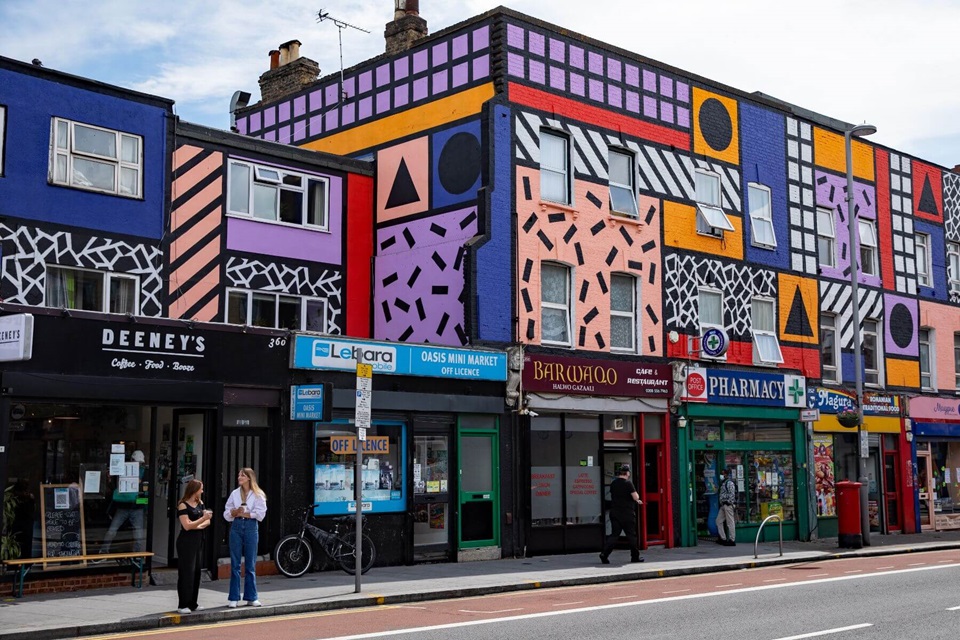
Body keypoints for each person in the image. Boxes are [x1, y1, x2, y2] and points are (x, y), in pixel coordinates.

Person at [223, 467, 267, 608]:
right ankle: (234, 597)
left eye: (242, 475)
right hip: (236, 526)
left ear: (249, 477)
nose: (239, 477)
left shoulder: (258, 494)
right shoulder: (235, 493)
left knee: (250, 564)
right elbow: (226, 513)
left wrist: (246, 514)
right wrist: (235, 512)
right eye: (239, 475)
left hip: (251, 527)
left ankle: (251, 597)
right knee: (235, 564)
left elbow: (260, 515)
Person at [175, 479, 213, 614]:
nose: (202, 491)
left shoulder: (200, 503)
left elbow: (207, 523)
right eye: (201, 488)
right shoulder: (182, 505)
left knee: (196, 572)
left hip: (198, 540)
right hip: (186, 542)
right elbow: (186, 526)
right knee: (186, 572)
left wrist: (196, 524)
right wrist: (201, 520)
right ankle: (182, 604)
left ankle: (193, 603)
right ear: (194, 489)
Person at [101, 450, 147, 553]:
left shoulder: (143, 472)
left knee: (138, 535)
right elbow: (114, 487)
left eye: (140, 463)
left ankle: (136, 557)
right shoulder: (123, 470)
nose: (138, 464)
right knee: (112, 531)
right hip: (126, 506)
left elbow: (146, 491)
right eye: (137, 462)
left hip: (134, 507)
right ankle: (104, 551)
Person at [599, 464, 644, 564]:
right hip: (627, 513)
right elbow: (635, 497)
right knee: (631, 535)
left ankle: (604, 554)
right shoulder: (628, 483)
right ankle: (635, 557)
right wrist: (637, 499)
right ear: (627, 473)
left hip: (615, 512)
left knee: (614, 535)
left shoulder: (614, 483)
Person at [716, 468, 737, 546]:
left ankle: (732, 540)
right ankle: (723, 538)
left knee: (730, 522)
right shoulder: (724, 482)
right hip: (723, 505)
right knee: (718, 521)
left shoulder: (729, 483)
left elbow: (732, 494)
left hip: (727, 505)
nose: (721, 475)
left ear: (725, 474)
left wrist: (728, 502)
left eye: (722, 473)